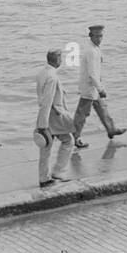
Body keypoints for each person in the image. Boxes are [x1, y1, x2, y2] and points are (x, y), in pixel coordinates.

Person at [73, 24, 126, 147]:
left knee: (102, 108)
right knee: (81, 115)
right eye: (96, 36)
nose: (99, 39)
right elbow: (92, 73)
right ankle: (75, 138)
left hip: (93, 87)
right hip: (89, 87)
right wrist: (100, 89)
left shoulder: (95, 48)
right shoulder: (91, 51)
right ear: (90, 36)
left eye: (101, 36)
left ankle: (111, 129)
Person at [35, 49, 76, 188]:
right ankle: (58, 171)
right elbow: (47, 101)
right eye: (61, 58)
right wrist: (43, 125)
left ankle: (44, 178)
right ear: (57, 60)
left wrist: (41, 122)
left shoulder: (42, 72)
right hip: (54, 116)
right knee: (68, 141)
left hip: (46, 116)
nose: (62, 60)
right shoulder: (52, 76)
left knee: (46, 147)